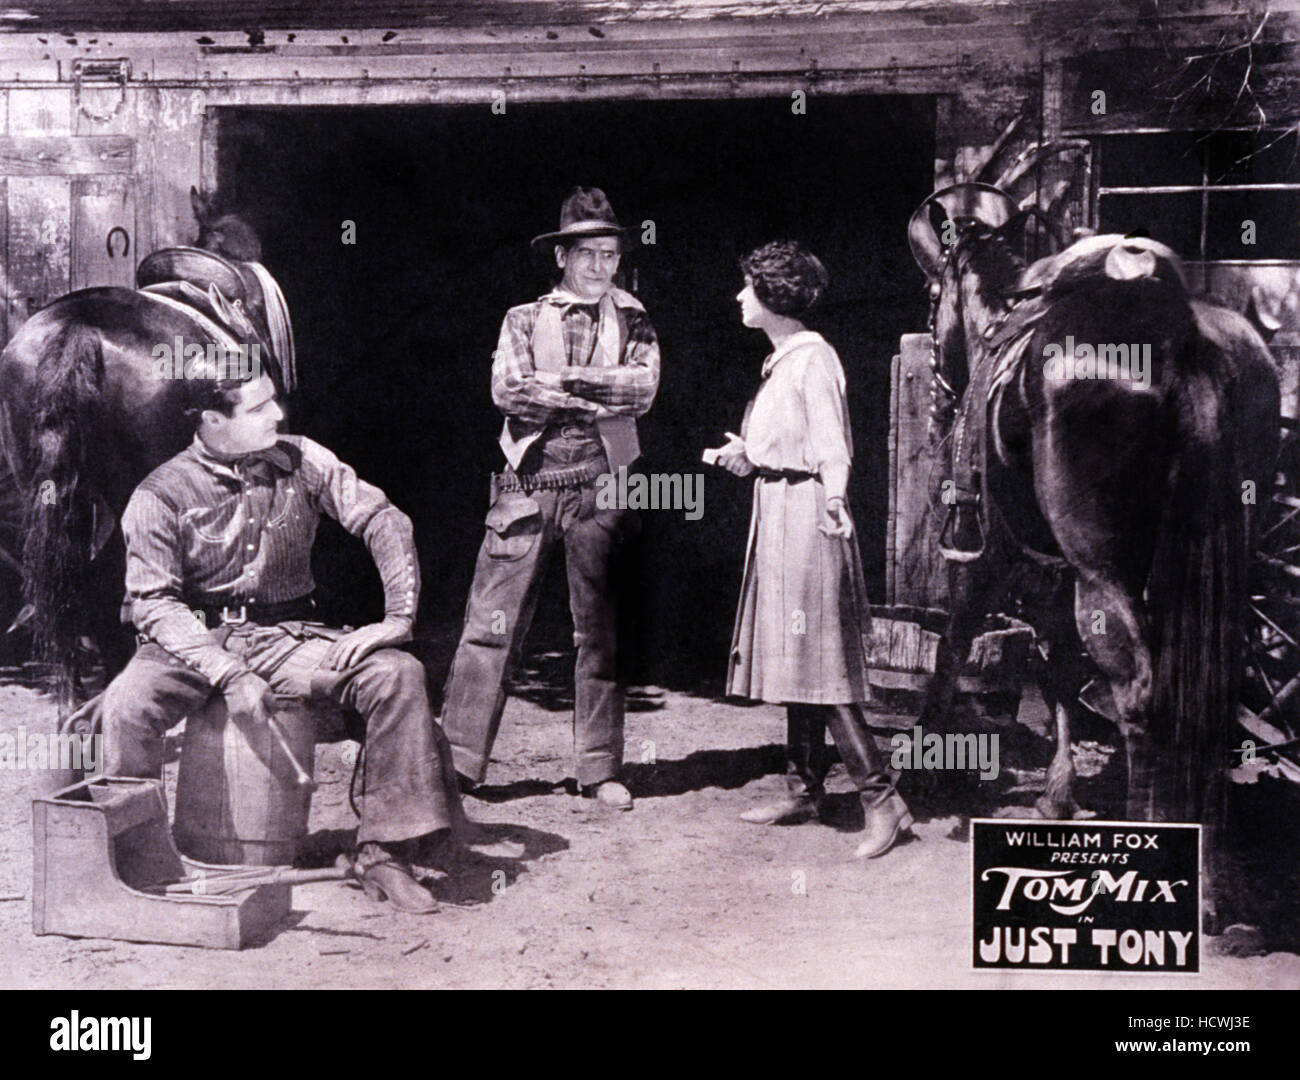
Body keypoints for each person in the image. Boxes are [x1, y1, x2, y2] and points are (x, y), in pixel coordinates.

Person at [97, 361, 463, 913]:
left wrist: (397, 620)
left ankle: (385, 854)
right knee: (125, 705)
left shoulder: (303, 458)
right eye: (259, 406)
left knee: (396, 674)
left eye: (275, 400)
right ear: (211, 420)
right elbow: (154, 605)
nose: (279, 413)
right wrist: (230, 671)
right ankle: (137, 862)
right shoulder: (160, 493)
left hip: (288, 636)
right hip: (190, 640)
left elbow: (385, 520)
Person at [440, 187, 660, 810]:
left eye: (610, 256)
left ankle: (598, 768)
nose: (598, 266)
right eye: (586, 254)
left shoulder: (636, 319)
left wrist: (561, 381)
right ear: (562, 256)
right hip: (528, 483)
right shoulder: (521, 318)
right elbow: (509, 391)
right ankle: (458, 764)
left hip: (603, 484)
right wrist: (593, 396)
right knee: (491, 624)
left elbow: (642, 389)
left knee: (603, 629)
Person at [707, 239, 912, 858]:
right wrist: (746, 457)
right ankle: (803, 788)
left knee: (820, 663)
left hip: (807, 517)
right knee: (795, 659)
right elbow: (786, 444)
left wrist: (834, 501)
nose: (740, 296)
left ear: (772, 296)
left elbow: (831, 445)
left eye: (748, 287)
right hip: (777, 510)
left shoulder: (812, 360)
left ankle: (883, 799)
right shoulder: (781, 363)